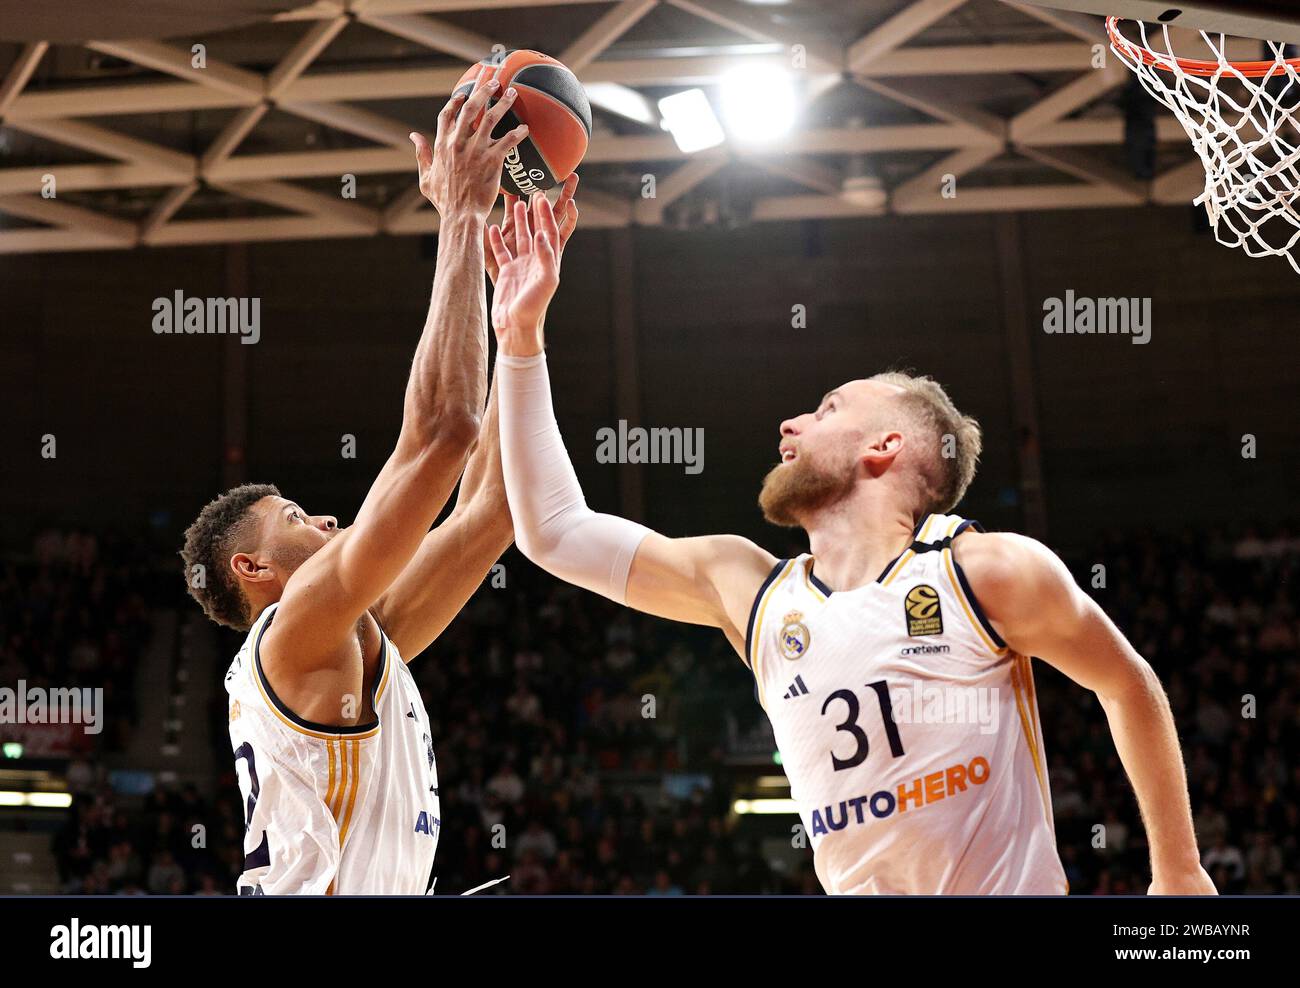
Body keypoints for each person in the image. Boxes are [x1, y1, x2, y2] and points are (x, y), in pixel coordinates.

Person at [486, 193, 1216, 896]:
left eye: (826, 408)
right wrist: (521, 341)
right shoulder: (751, 589)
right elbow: (553, 532)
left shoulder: (982, 571)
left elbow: (1126, 682)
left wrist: (1178, 869)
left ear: (885, 445)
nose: (790, 426)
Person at [179, 70, 553, 894]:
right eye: (294, 517)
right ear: (253, 570)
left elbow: (493, 510)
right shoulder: (296, 630)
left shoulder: (355, 641)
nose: (325, 516)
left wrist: (516, 316)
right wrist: (459, 214)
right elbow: (442, 435)